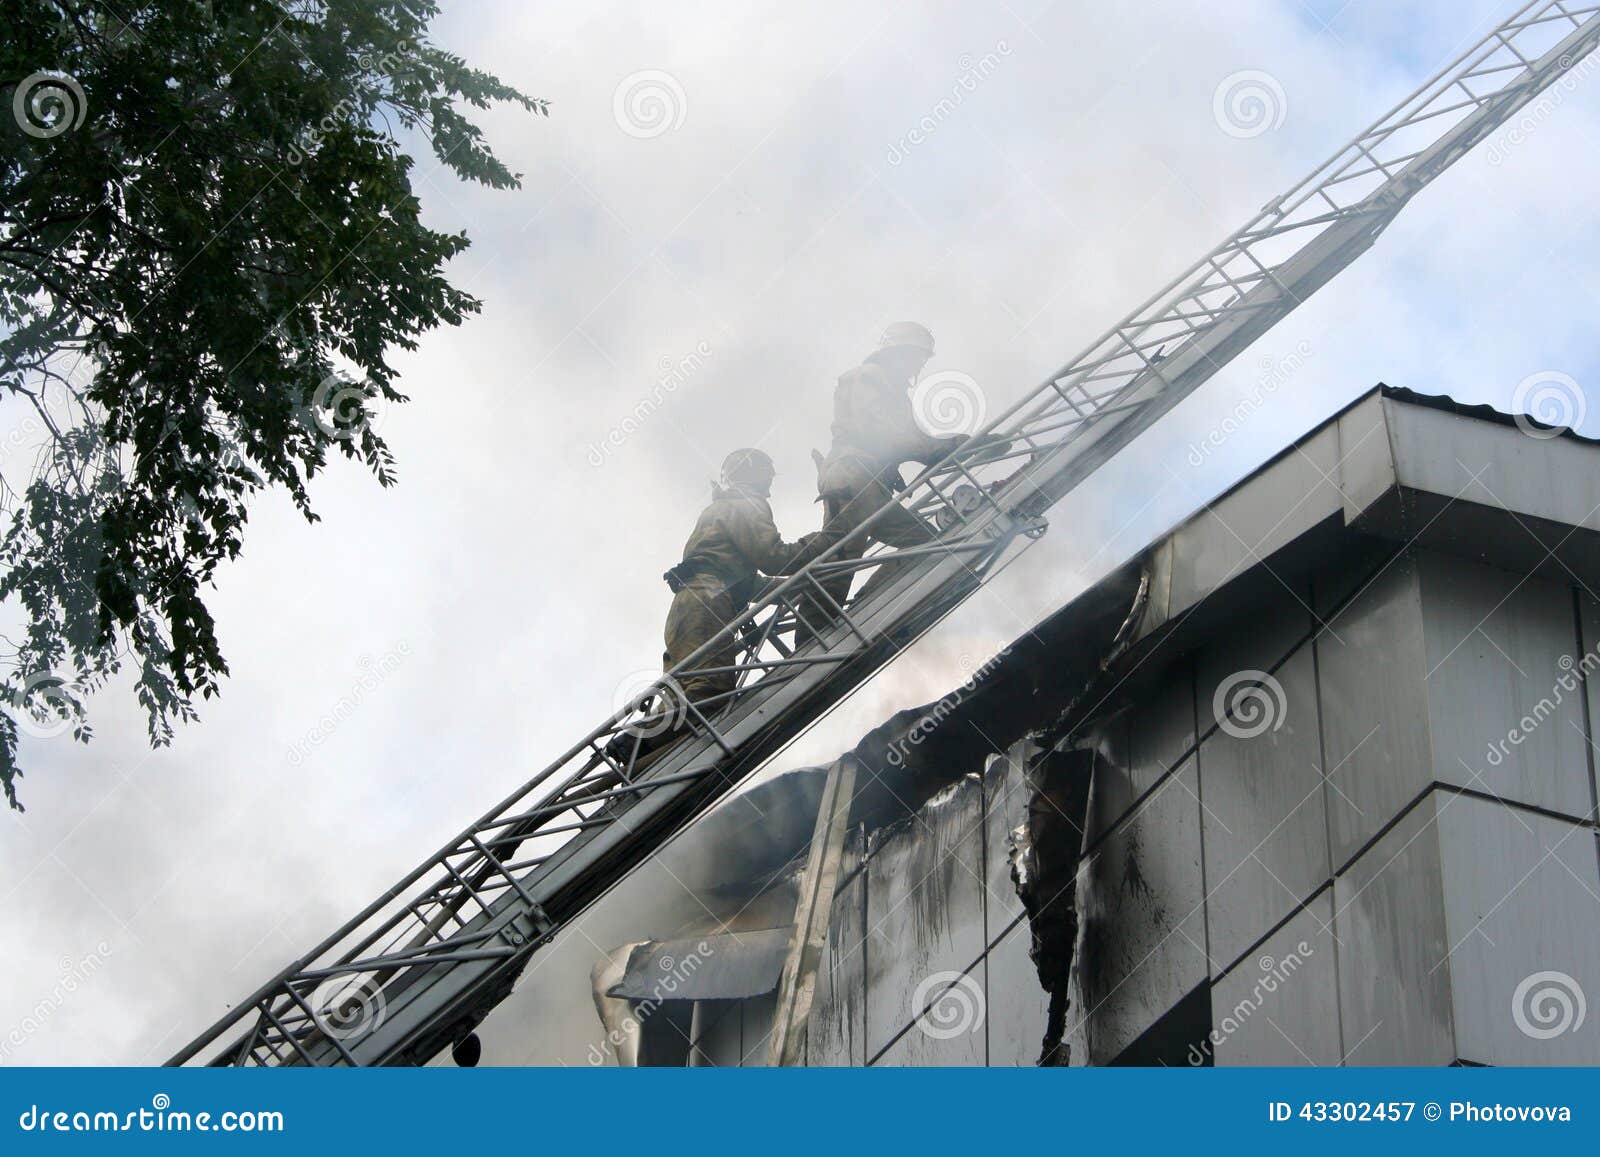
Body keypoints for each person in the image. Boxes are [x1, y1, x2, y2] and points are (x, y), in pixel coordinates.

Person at [611, 448, 833, 768]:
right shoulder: (746, 504)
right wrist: (823, 543)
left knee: (681, 693)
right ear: (753, 473)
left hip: (689, 606)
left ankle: (642, 759)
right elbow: (773, 556)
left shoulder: (719, 510)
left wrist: (794, 587)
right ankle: (636, 742)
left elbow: (745, 581)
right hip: (709, 603)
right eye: (767, 471)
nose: (771, 478)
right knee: (710, 691)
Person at [798, 322, 964, 642]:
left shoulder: (890, 388)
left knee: (923, 543)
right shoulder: (869, 377)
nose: (920, 366)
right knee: (841, 559)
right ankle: (811, 642)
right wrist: (950, 447)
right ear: (898, 353)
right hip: (855, 476)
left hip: (867, 480)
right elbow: (882, 431)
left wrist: (956, 447)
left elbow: (911, 440)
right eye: (917, 357)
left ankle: (864, 606)